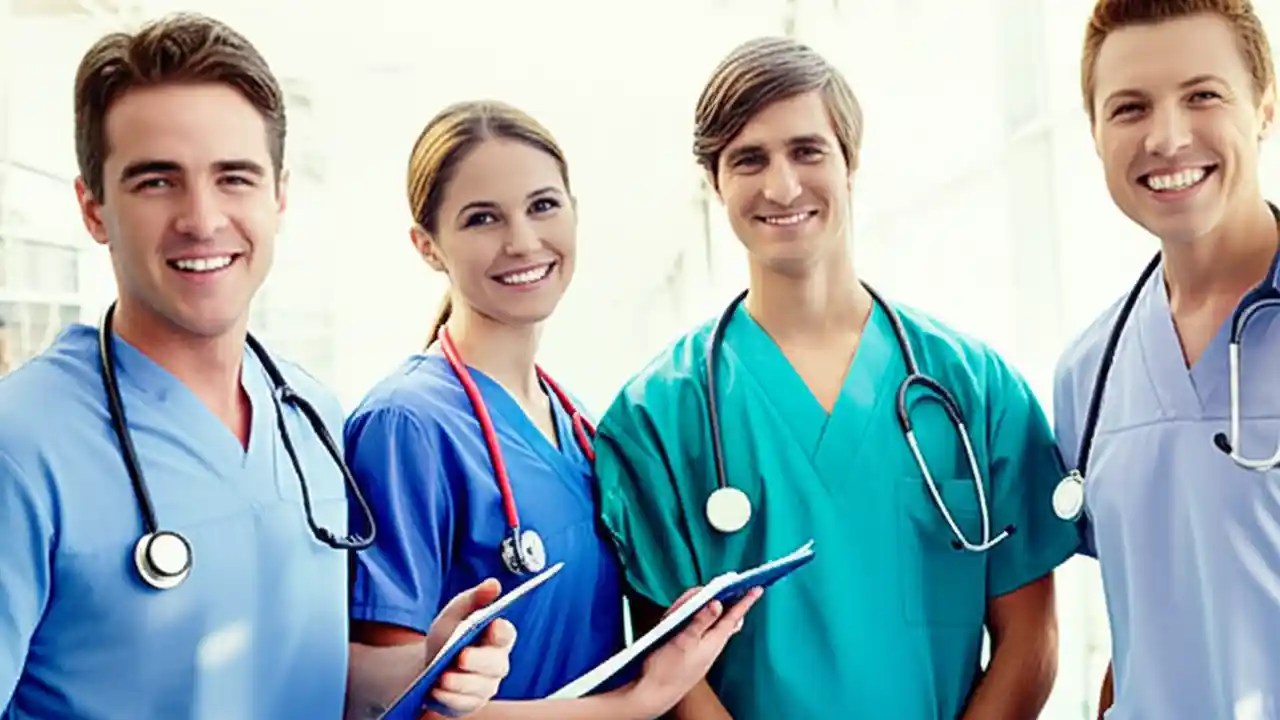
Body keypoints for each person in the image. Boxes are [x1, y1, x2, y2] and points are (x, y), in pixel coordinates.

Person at [0, 14, 513, 720]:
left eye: (234, 178)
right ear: (92, 208)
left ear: (279, 196)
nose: (202, 218)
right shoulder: (22, 444)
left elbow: (322, 685)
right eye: (156, 182)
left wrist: (429, 665)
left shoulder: (310, 414)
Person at [592, 37, 1082, 719]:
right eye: (748, 160)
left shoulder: (976, 388)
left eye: (807, 151)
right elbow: (671, 674)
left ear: (851, 162)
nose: (782, 186)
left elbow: (1032, 639)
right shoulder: (656, 420)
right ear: (714, 182)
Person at [341, 99, 761, 720]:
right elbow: (389, 703)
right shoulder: (407, 426)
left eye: (543, 206)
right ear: (428, 247)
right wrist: (639, 701)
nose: (522, 241)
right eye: (482, 218)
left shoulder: (579, 427)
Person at [1054, 1, 1280, 717]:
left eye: (1202, 96)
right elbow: (1147, 629)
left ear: (1265, 107)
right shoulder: (1089, 372)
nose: (1167, 137)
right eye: (1129, 108)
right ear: (1094, 135)